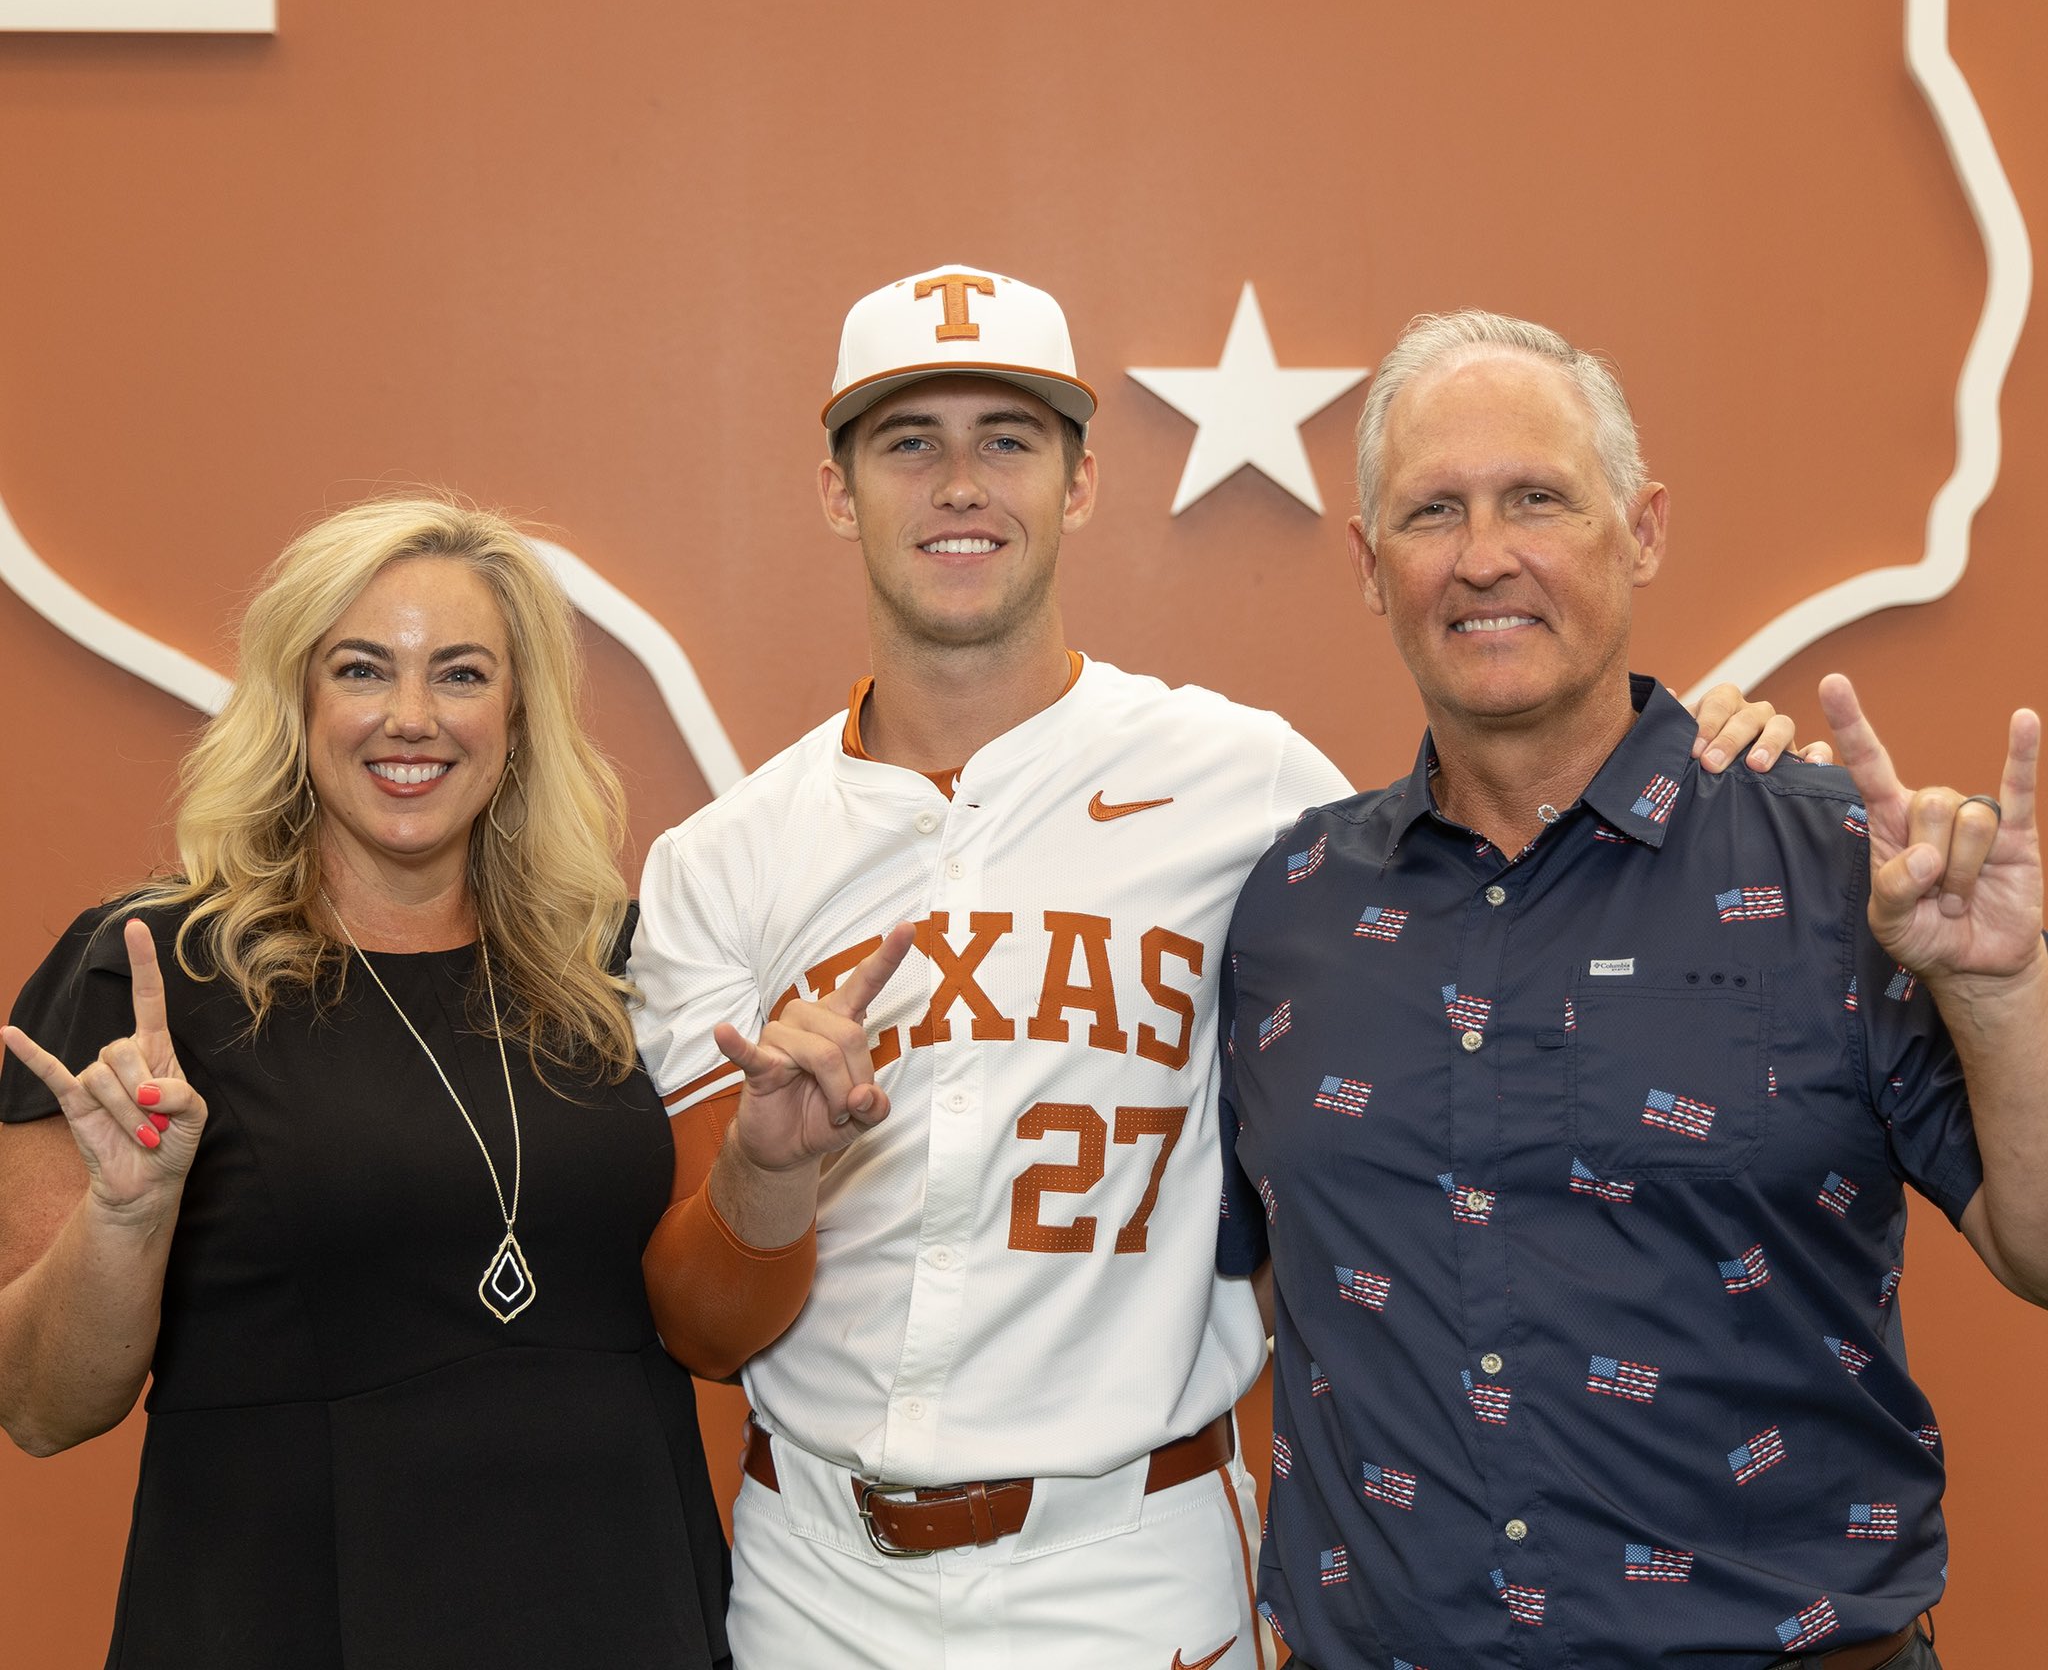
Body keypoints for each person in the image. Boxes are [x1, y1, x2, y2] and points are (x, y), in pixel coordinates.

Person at [630, 268, 1806, 1669]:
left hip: (1132, 1561)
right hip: (818, 1575)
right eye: (907, 443)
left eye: (1008, 440)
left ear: (1078, 485)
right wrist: (768, 1177)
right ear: (838, 492)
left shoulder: (1246, 787)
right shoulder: (719, 860)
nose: (959, 484)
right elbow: (703, 1326)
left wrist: (1709, 752)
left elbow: (1505, 935)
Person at [1218, 310, 2047, 1670]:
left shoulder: (1846, 868)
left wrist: (2007, 990)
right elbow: (1252, 1289)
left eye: (1537, 498)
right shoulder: (1289, 909)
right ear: (1372, 568)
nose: (1486, 556)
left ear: (1642, 531)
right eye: (1434, 512)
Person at [0, 495, 731, 1670]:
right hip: (289, 1614)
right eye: (360, 669)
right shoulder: (149, 973)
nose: (409, 717)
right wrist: (125, 1217)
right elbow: (40, 1404)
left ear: (517, 713)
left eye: (458, 673)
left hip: (617, 1597)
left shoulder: (618, 965)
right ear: (295, 703)